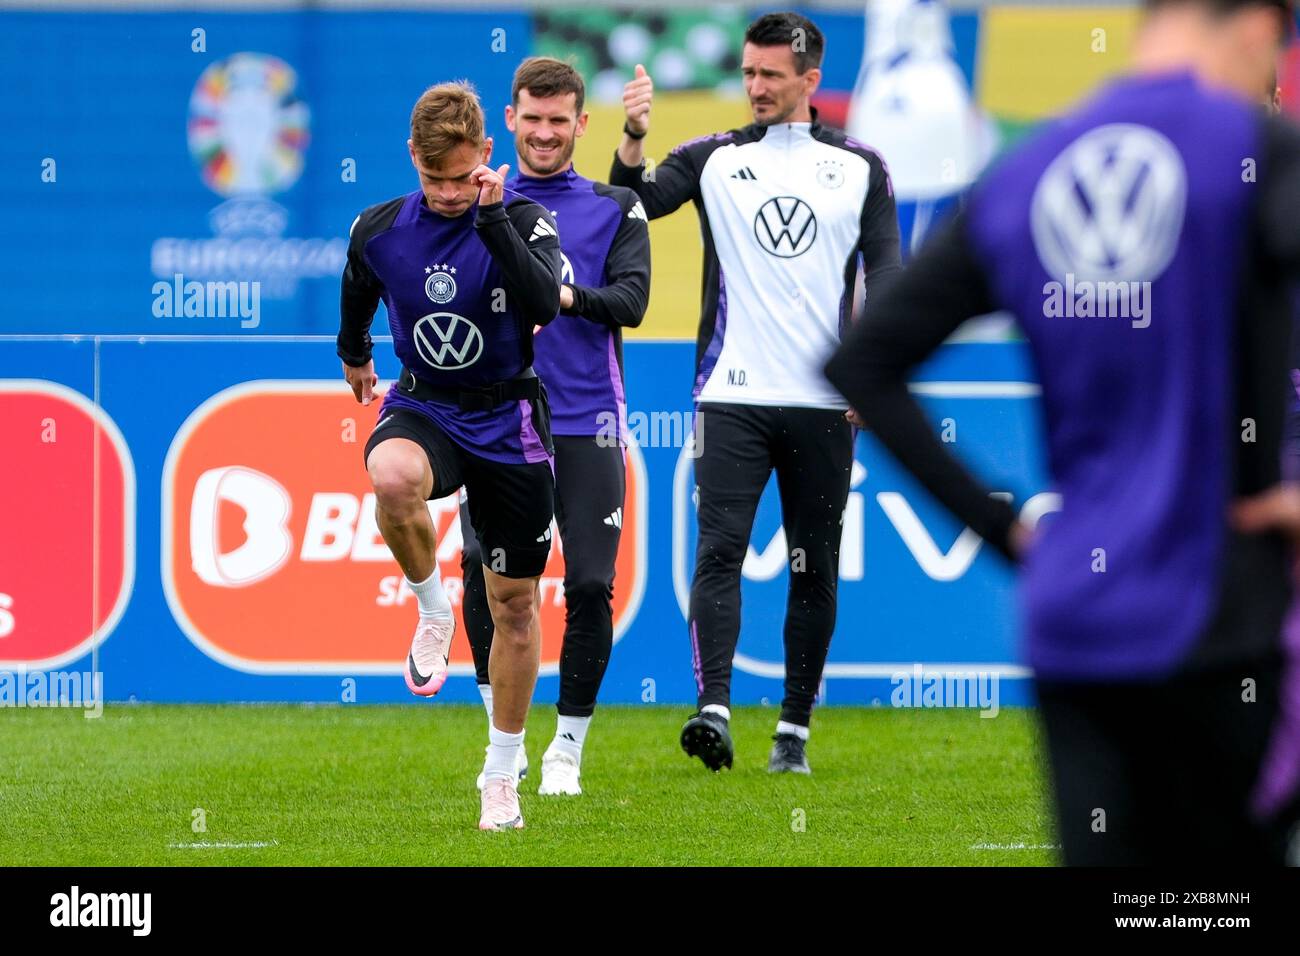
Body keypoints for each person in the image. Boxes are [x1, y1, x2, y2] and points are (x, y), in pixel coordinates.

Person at [826, 0, 1300, 864]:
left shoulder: (1029, 167)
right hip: (1222, 612)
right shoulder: (1255, 153)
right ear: (1256, 23)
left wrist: (1007, 533)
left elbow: (863, 364)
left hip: (1075, 617)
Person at [610, 10, 902, 774]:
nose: (756, 87)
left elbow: (891, 278)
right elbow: (628, 206)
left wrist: (874, 375)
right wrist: (634, 139)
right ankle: (713, 709)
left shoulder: (864, 167)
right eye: (748, 73)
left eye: (772, 75)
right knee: (718, 553)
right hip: (729, 395)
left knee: (815, 566)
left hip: (824, 403)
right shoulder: (711, 158)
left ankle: (794, 733)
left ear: (811, 79)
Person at [337, 81, 561, 831]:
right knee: (390, 475)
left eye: (461, 178)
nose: (447, 194)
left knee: (515, 607)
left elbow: (540, 307)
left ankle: (501, 773)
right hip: (426, 403)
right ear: (412, 159)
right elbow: (359, 280)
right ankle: (433, 610)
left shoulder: (522, 220)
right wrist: (354, 351)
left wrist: (491, 215)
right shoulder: (381, 228)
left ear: (486, 158)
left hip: (509, 419)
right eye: (433, 180)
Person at [459, 57, 651, 796]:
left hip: (586, 422)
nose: (544, 133)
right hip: (499, 421)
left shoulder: (613, 206)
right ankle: (500, 737)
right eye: (531, 119)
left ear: (580, 123)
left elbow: (631, 301)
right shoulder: (476, 203)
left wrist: (554, 292)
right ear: (509, 120)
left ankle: (567, 750)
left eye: (558, 120)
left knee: (593, 584)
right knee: (490, 580)